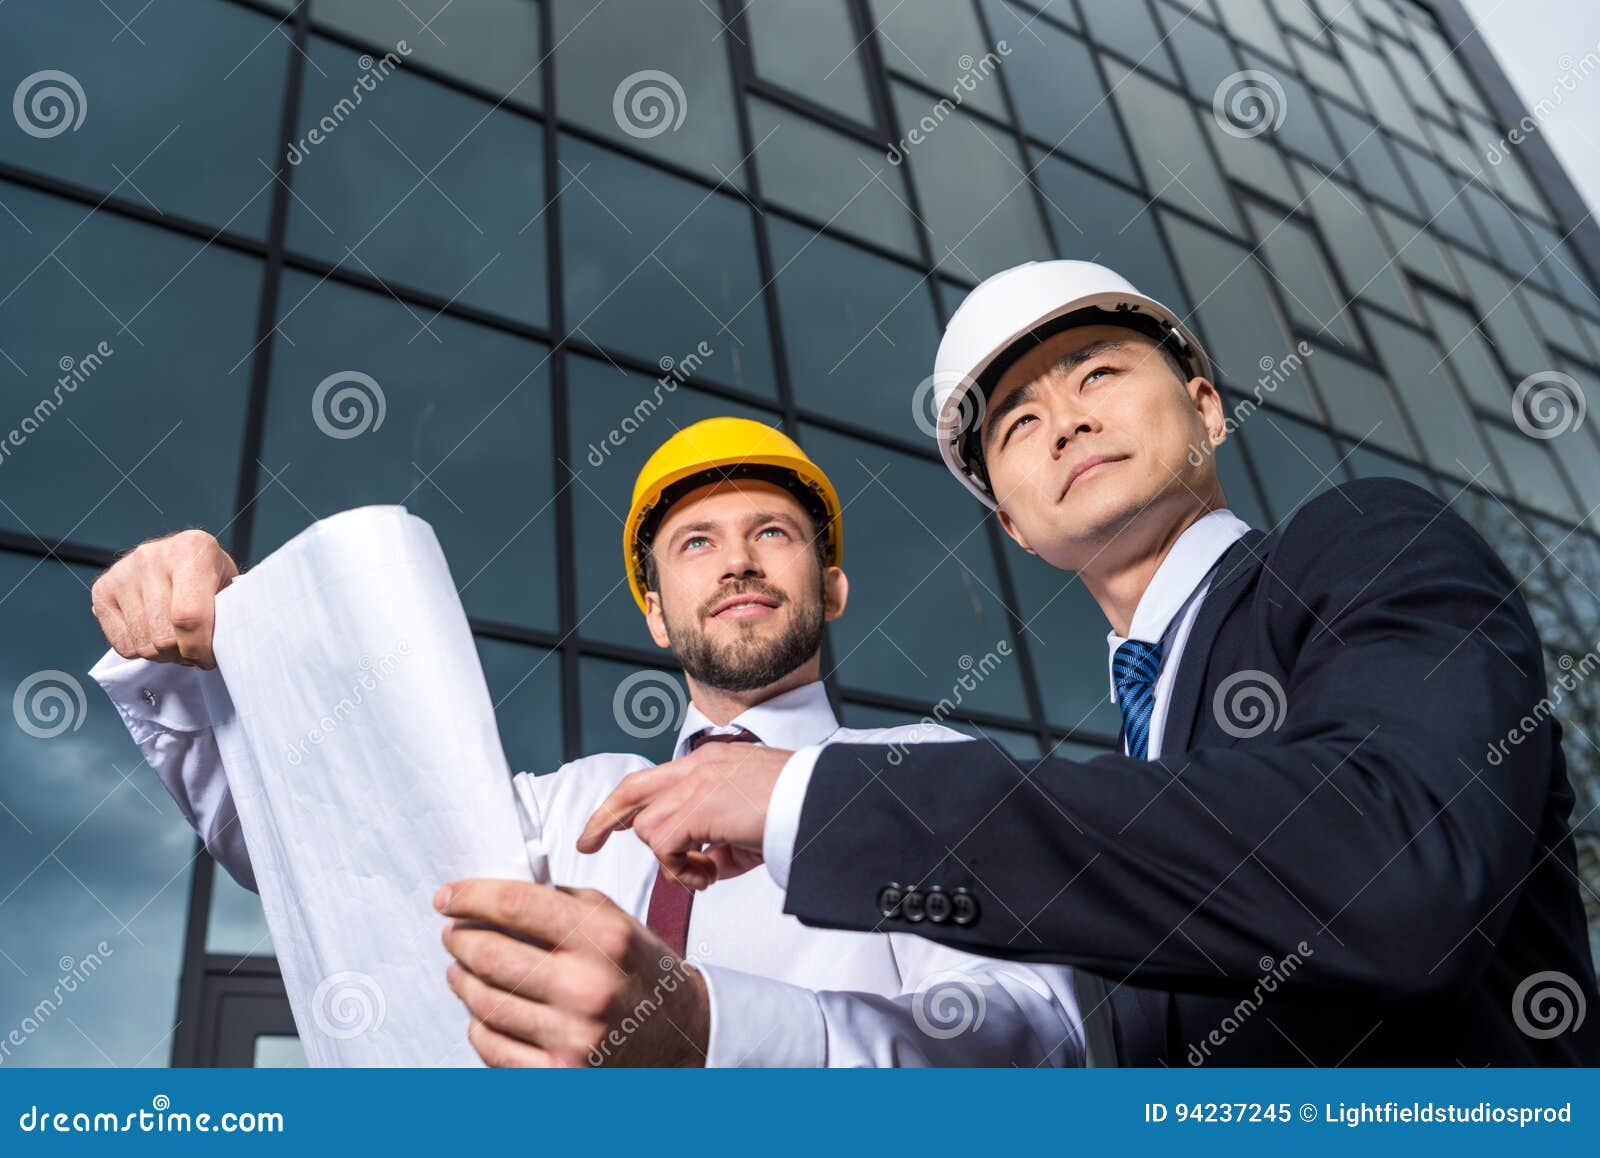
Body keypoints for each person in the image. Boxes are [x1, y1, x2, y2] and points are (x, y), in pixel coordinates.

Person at [581, 261, 1600, 1066]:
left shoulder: (1361, 545)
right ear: (1015, 527)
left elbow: (1397, 867)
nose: (1063, 420)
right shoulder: (1132, 753)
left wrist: (817, 802)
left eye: (1099, 374)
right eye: (1018, 422)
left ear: (1205, 407)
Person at [88, 416, 1101, 1068]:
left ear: (831, 588)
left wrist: (718, 1031)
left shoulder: (922, 773)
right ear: (657, 616)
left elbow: (1028, 1039)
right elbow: (332, 845)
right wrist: (216, 652)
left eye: (773, 533)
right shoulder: (560, 808)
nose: (737, 561)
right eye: (696, 544)